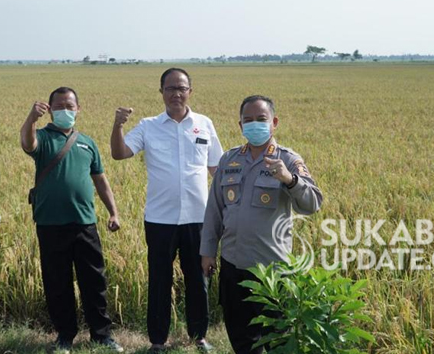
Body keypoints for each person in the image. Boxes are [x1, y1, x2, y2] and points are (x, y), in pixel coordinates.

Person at [111, 68, 223, 352]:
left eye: (181, 88)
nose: (176, 93)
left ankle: (199, 336)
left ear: (190, 92)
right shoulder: (149, 126)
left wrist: (230, 205)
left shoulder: (204, 124)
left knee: (199, 279)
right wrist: (118, 125)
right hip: (160, 219)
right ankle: (158, 340)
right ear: (161, 92)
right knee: (159, 280)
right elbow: (120, 152)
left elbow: (216, 170)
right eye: (170, 88)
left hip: (198, 218)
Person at [200, 95, 323, 354]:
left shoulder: (288, 160)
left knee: (277, 339)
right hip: (233, 265)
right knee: (242, 338)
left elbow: (312, 204)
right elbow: (214, 210)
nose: (254, 124)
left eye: (261, 119)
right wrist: (208, 251)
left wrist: (289, 180)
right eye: (248, 120)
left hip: (272, 271)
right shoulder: (229, 160)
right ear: (240, 125)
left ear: (274, 122)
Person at [20, 87, 124, 354]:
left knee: (94, 282)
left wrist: (113, 211)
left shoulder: (87, 142)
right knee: (57, 283)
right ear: (50, 110)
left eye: (70, 105)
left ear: (78, 109)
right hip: (50, 223)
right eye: (59, 106)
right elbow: (26, 144)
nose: (65, 110)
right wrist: (31, 119)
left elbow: (100, 180)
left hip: (84, 223)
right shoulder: (42, 137)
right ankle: (65, 335)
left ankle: (101, 335)